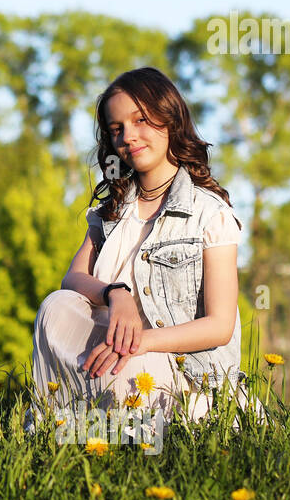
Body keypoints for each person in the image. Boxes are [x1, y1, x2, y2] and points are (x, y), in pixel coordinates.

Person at [25, 67, 264, 440]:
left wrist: (139, 343)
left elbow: (220, 326)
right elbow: (72, 279)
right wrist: (115, 294)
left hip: (178, 372)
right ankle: (63, 428)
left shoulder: (209, 213)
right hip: (115, 356)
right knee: (55, 306)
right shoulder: (113, 211)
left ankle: (105, 431)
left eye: (140, 120)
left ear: (170, 118)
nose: (128, 136)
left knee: (131, 368)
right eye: (116, 128)